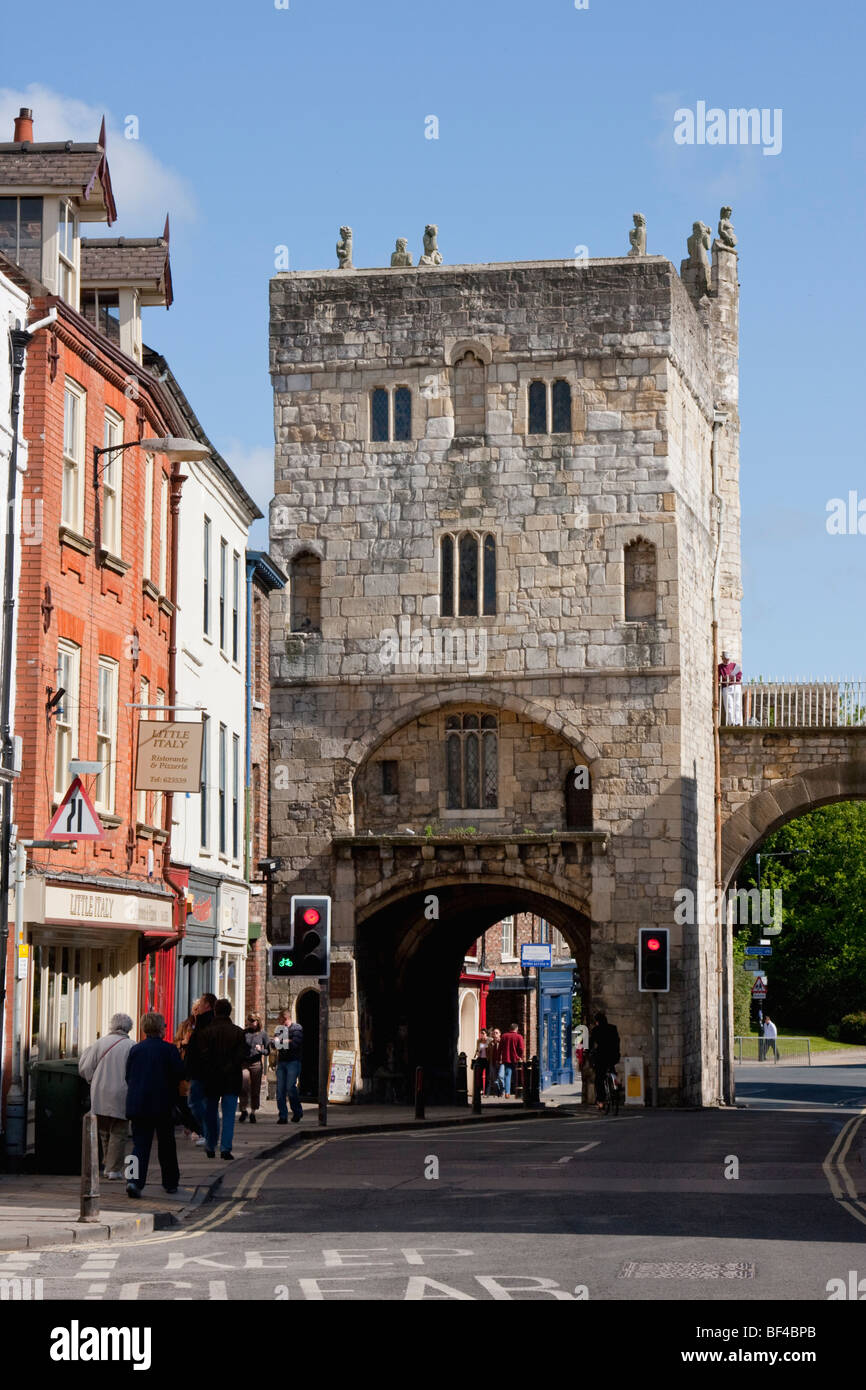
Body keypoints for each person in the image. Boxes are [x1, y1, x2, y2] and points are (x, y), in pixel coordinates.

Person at [124, 1012, 184, 1197]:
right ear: (160, 1028)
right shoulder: (169, 1050)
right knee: (167, 1145)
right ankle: (170, 1182)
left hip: (138, 1104)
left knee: (139, 1146)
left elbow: (128, 1076)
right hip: (162, 1105)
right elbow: (179, 1074)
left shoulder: (136, 1049)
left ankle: (133, 1182)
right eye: (164, 1025)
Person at [78, 1013, 134, 1179]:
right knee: (119, 1130)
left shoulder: (99, 1043)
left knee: (104, 1130)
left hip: (99, 1091)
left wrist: (93, 1081)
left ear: (112, 1025)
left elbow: (85, 1068)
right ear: (128, 1028)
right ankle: (113, 1169)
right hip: (121, 1092)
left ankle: (107, 1165)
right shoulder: (131, 1046)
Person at [197, 998, 248, 1159]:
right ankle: (225, 1148)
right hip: (231, 1079)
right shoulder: (238, 1032)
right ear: (229, 1012)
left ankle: (210, 1145)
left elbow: (202, 1057)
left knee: (211, 1114)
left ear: (215, 1011)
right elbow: (242, 1055)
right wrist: (230, 1066)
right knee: (229, 1115)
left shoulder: (206, 1032)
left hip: (211, 1078)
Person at [184, 993, 217, 1150]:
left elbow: (198, 1049)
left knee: (195, 1103)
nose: (198, 1007)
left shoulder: (206, 1022)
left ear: (207, 1005)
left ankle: (208, 1133)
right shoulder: (203, 1021)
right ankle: (209, 1135)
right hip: (203, 1071)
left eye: (201, 1003)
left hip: (201, 1071)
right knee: (204, 1104)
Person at [272, 1009, 304, 1123]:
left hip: (293, 1062)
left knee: (290, 1087)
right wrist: (278, 1041)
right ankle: (283, 1116)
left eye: (280, 1019)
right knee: (280, 1090)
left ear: (285, 1018)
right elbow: (273, 1045)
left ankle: (297, 1112)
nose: (278, 1021)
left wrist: (280, 1041)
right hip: (282, 1062)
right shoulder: (280, 1029)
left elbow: (295, 1043)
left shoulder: (297, 1028)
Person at [239, 1013, 270, 1123]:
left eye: (252, 1021)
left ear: (257, 1022)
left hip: (256, 1064)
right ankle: (243, 1110)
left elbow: (268, 1051)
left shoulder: (263, 1034)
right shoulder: (244, 1033)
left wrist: (261, 1050)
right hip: (244, 1063)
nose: (250, 1023)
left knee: (255, 1089)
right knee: (243, 1086)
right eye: (249, 1021)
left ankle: (253, 1112)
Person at [588, 1010, 621, 1111]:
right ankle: (616, 1083)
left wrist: (588, 1051)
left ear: (597, 1021)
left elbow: (590, 1043)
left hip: (601, 1057)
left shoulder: (596, 1030)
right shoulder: (613, 1028)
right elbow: (617, 1041)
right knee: (611, 1069)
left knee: (599, 1079)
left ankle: (601, 1101)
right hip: (613, 1056)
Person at [499, 1022, 525, 1098]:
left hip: (507, 1059)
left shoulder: (504, 1036)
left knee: (507, 1076)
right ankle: (517, 1092)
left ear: (509, 1028)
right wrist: (520, 1057)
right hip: (516, 1059)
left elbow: (500, 1049)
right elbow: (521, 1048)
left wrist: (498, 1058)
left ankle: (507, 1093)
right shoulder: (519, 1037)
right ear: (516, 1029)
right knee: (517, 1076)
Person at [718, 650, 743, 726]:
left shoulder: (734, 665)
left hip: (736, 686)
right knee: (729, 706)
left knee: (737, 705)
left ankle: (738, 722)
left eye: (727, 659)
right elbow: (718, 678)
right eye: (725, 659)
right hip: (726, 687)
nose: (726, 660)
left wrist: (731, 678)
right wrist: (725, 678)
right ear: (722, 659)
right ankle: (731, 722)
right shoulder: (719, 667)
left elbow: (739, 676)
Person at [472, 1029, 489, 1099]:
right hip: (480, 1059)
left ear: (486, 1034)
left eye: (483, 1033)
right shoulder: (478, 1041)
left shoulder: (490, 1040)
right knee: (479, 1075)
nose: (482, 1034)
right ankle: (481, 1090)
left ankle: (486, 1092)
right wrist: (475, 1056)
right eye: (481, 1033)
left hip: (487, 1060)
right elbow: (477, 1050)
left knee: (487, 1076)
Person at [487, 1027, 503, 1095]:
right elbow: (488, 1052)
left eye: (496, 1033)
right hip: (493, 1063)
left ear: (500, 1034)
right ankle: (497, 1092)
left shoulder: (502, 1042)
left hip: (501, 1062)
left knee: (500, 1077)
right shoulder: (491, 1043)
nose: (495, 1034)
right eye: (494, 1033)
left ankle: (502, 1090)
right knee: (494, 1078)